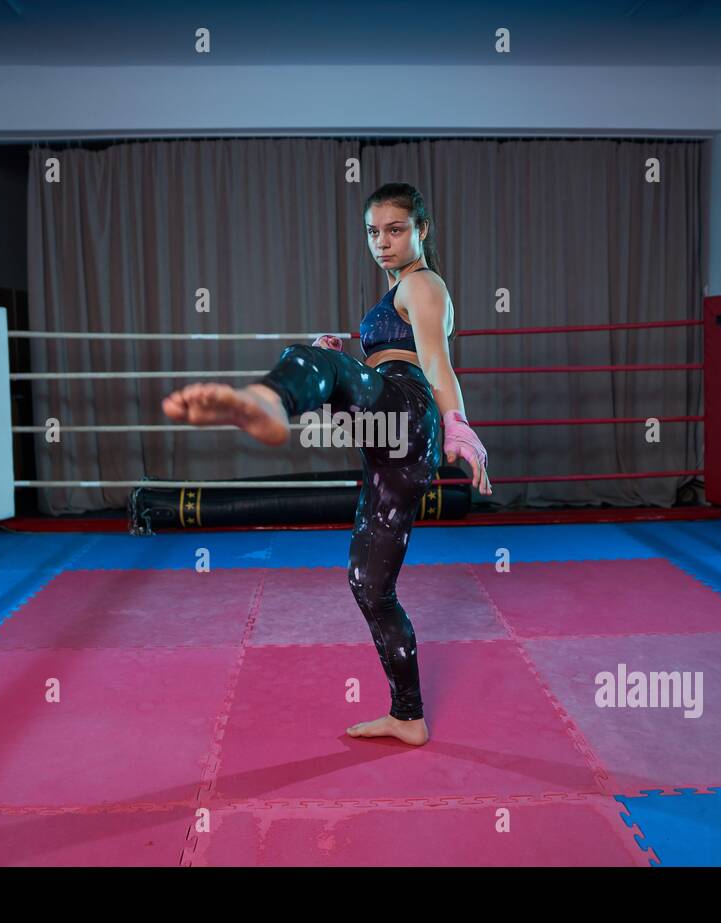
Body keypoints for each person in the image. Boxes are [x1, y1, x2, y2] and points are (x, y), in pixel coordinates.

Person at [162, 182, 491, 746]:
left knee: (306, 359)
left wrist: (459, 425)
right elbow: (395, 355)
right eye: (372, 232)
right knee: (369, 584)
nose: (382, 243)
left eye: (394, 229)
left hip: (408, 412)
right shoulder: (396, 295)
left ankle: (272, 399)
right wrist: (345, 363)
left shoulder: (423, 283)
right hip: (388, 441)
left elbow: (435, 361)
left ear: (421, 231)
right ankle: (408, 715)